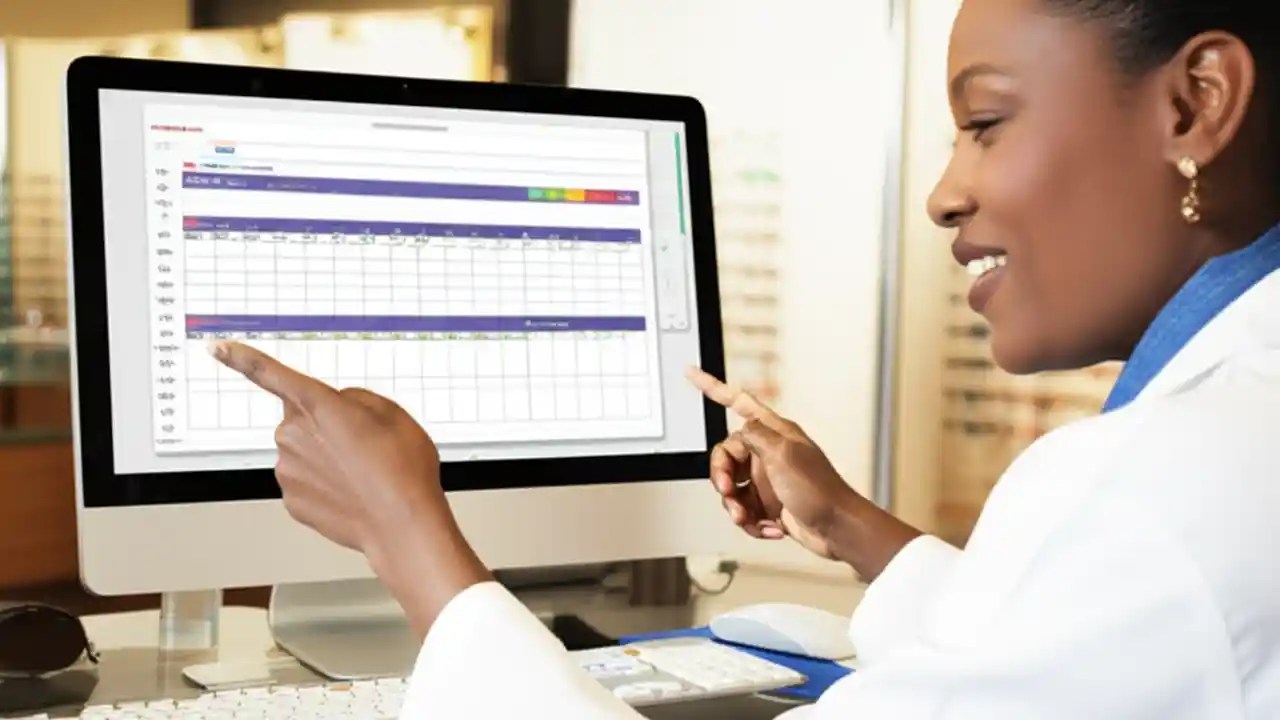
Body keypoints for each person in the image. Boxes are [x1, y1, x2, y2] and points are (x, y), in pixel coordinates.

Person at [209, 0, 1280, 716]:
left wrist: (404, 530)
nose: (943, 193)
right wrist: (850, 525)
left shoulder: (1152, 481)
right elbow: (1070, 646)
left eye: (985, 123)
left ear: (1195, 103)